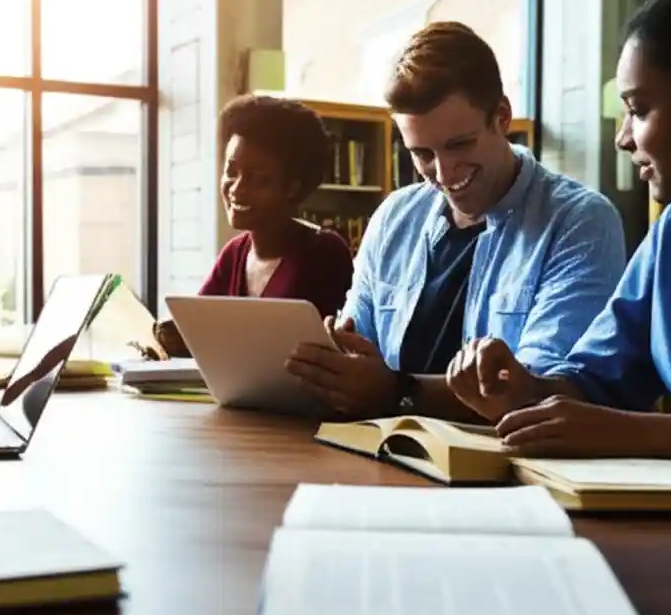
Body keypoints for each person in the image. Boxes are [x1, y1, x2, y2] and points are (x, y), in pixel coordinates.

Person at [447, 0, 671, 481]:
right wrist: (527, 393)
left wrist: (641, 433)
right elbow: (595, 382)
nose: (622, 139)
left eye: (640, 109)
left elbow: (619, 425)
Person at [285, 21, 625, 421]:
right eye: (422, 154)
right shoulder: (394, 217)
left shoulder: (580, 222)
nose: (444, 174)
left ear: (501, 117)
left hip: (505, 472)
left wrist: (398, 393)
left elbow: (535, 393)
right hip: (380, 452)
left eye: (459, 145)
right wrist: (336, 364)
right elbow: (358, 346)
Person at [153, 95, 354, 358]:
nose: (236, 188)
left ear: (294, 186)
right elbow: (199, 330)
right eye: (231, 171)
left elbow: (331, 351)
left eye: (258, 179)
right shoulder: (234, 253)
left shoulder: (323, 252)